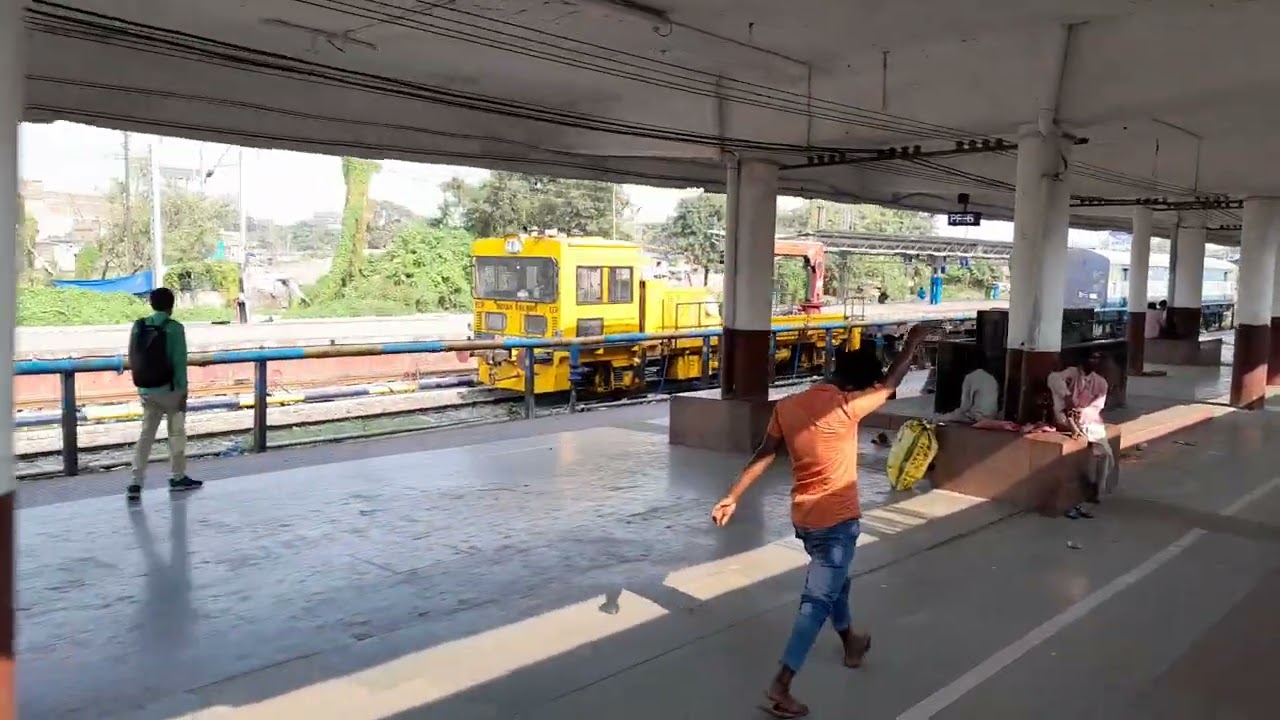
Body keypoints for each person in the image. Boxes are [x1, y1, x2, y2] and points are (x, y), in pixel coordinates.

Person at [710, 323, 931, 719]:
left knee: (836, 584)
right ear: (854, 386)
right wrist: (913, 341)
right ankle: (782, 684)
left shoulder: (788, 406)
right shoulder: (846, 408)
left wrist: (733, 495)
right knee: (816, 602)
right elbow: (892, 381)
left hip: (805, 521)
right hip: (837, 522)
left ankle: (851, 643)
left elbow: (764, 454)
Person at [127, 287, 202, 501]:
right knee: (176, 434)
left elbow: (133, 356)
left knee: (146, 435)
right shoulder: (174, 328)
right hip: (170, 391)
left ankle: (136, 481)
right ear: (171, 305)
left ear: (151, 304)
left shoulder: (138, 326)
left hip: (147, 390)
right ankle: (177, 477)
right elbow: (179, 362)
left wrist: (141, 387)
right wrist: (183, 392)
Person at [1046, 351, 1114, 519]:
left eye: (1097, 358)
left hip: (1089, 422)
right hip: (1066, 417)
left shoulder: (1101, 383)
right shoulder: (1072, 373)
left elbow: (1096, 408)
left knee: (1105, 455)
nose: (1094, 361)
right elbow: (1053, 378)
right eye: (1091, 357)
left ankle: (1097, 490)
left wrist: (1081, 412)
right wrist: (1068, 397)